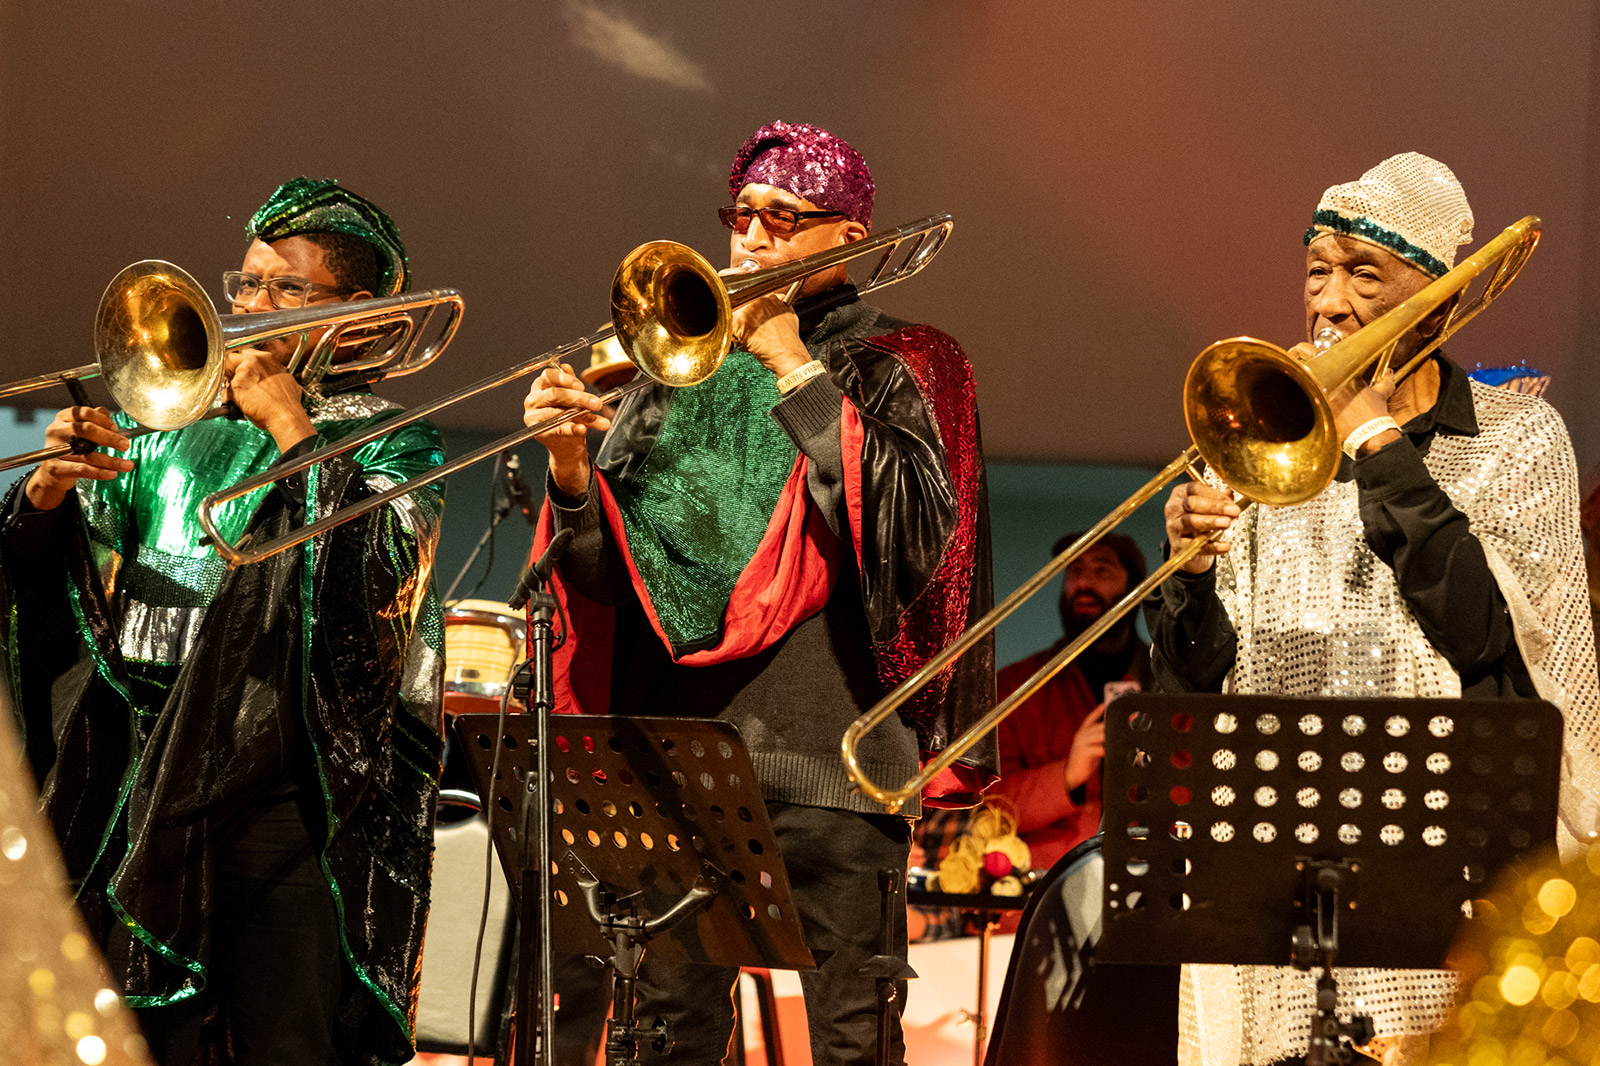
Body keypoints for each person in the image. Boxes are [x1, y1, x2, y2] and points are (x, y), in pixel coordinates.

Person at [521, 120, 995, 1064]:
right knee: (665, 1039)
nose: (754, 238)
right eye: (742, 216)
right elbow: (620, 578)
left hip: (836, 766)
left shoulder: (912, 357)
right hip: (679, 753)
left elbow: (914, 542)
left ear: (849, 239)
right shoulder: (674, 372)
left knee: (852, 1045)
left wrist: (792, 361)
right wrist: (574, 474)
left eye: (784, 217)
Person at [1148, 153, 1600, 1066]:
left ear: (1434, 295)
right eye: (1318, 269)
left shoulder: (1516, 436)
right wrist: (1187, 574)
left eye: (1364, 273)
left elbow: (1497, 645)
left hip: (1450, 878)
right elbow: (1189, 694)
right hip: (1284, 883)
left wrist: (1377, 442)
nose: (1329, 303)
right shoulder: (1265, 438)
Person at [0, 178, 447, 1065]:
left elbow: (377, 594)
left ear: (357, 313)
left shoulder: (399, 437)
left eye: (283, 289)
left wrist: (298, 437)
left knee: (288, 1036)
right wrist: (48, 494)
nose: (249, 307)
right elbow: (75, 595)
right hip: (150, 769)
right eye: (244, 285)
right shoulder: (170, 426)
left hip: (288, 788)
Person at [989, 532, 1151, 875]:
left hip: (1147, 891)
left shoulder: (1170, 689)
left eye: (1102, 571)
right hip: (1039, 899)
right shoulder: (1017, 687)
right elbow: (989, 807)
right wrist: (1067, 775)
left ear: (1135, 588)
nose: (1083, 583)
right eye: (1073, 571)